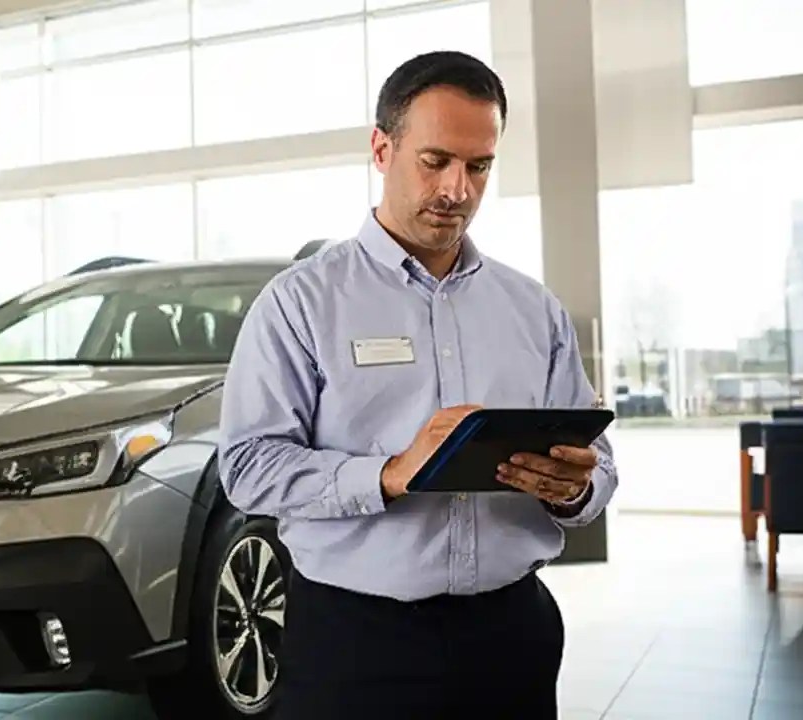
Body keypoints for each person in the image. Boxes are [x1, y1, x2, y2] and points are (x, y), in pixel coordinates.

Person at [217, 50, 618, 719]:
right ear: (382, 149)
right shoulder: (300, 303)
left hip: (512, 637)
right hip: (357, 643)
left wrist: (576, 488)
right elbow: (250, 467)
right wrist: (390, 474)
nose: (457, 189)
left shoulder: (533, 309)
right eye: (435, 161)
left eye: (479, 166)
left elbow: (598, 469)